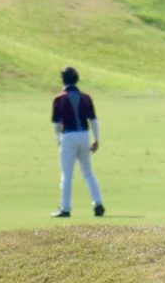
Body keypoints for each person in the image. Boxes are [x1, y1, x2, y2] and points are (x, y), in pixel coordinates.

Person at [50, 66, 105, 218]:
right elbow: (93, 120)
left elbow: (56, 125)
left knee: (67, 175)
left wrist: (58, 140)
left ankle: (65, 208)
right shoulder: (86, 97)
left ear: (63, 80)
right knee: (88, 172)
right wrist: (97, 139)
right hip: (84, 135)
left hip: (68, 135)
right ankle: (98, 203)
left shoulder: (59, 99)